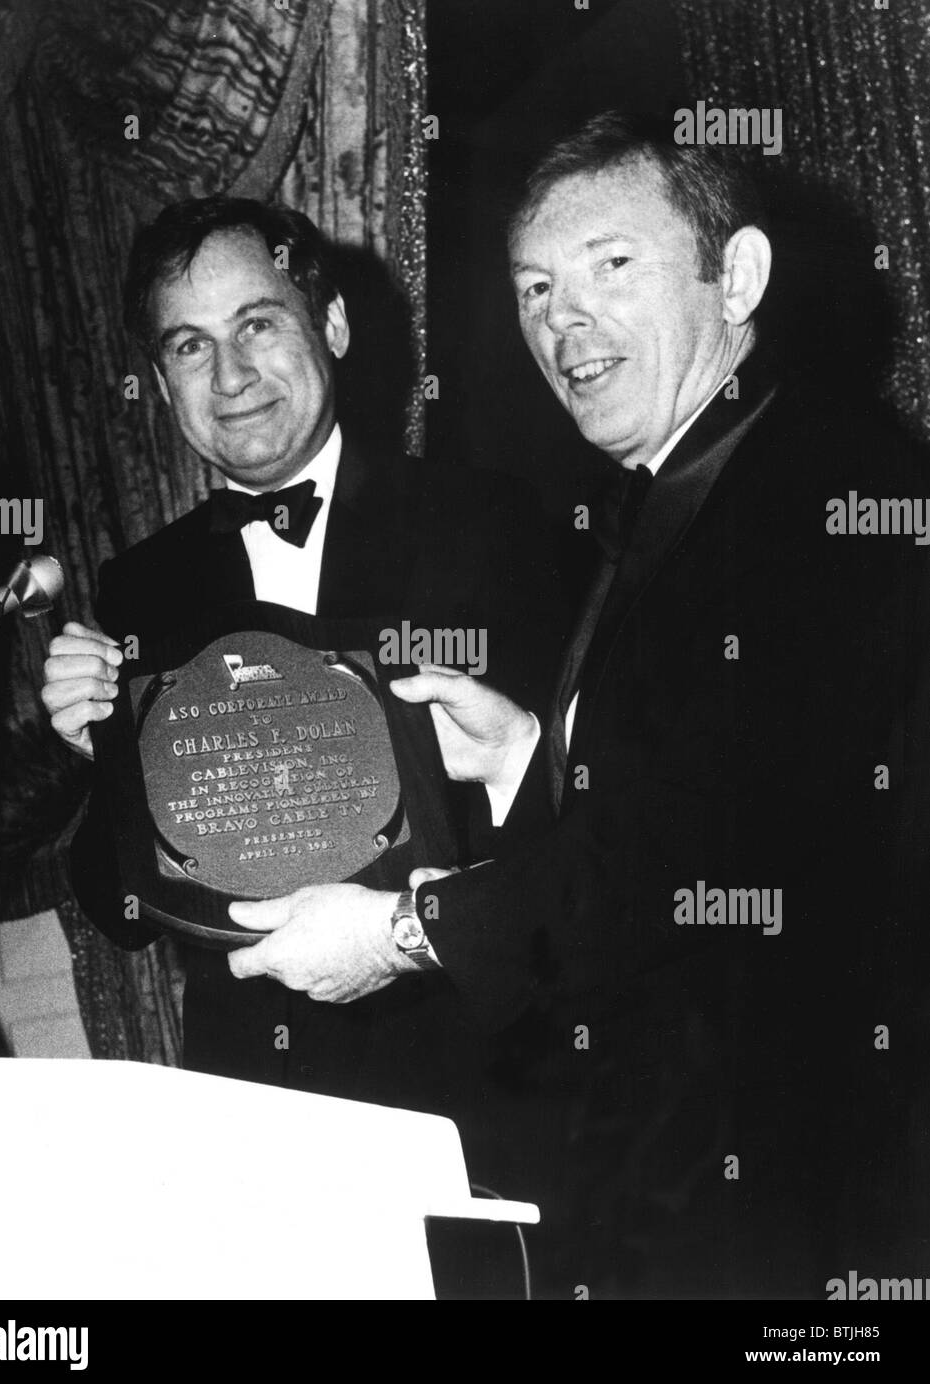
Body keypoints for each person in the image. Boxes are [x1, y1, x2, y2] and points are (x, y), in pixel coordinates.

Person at [226, 114, 930, 1298]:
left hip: (818, 1205)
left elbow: (694, 858)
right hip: (708, 1182)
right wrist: (524, 754)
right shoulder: (686, 489)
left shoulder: (825, 489)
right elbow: (695, 781)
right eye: (536, 286)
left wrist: (406, 928)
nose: (565, 319)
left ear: (738, 276)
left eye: (614, 266)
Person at [40, 196, 572, 1156]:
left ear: (330, 325)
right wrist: (96, 756)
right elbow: (123, 914)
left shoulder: (487, 524)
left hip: (473, 1093)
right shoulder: (139, 585)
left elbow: (579, 824)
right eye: (189, 348)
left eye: (257, 324)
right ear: (161, 387)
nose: (232, 375)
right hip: (257, 1110)